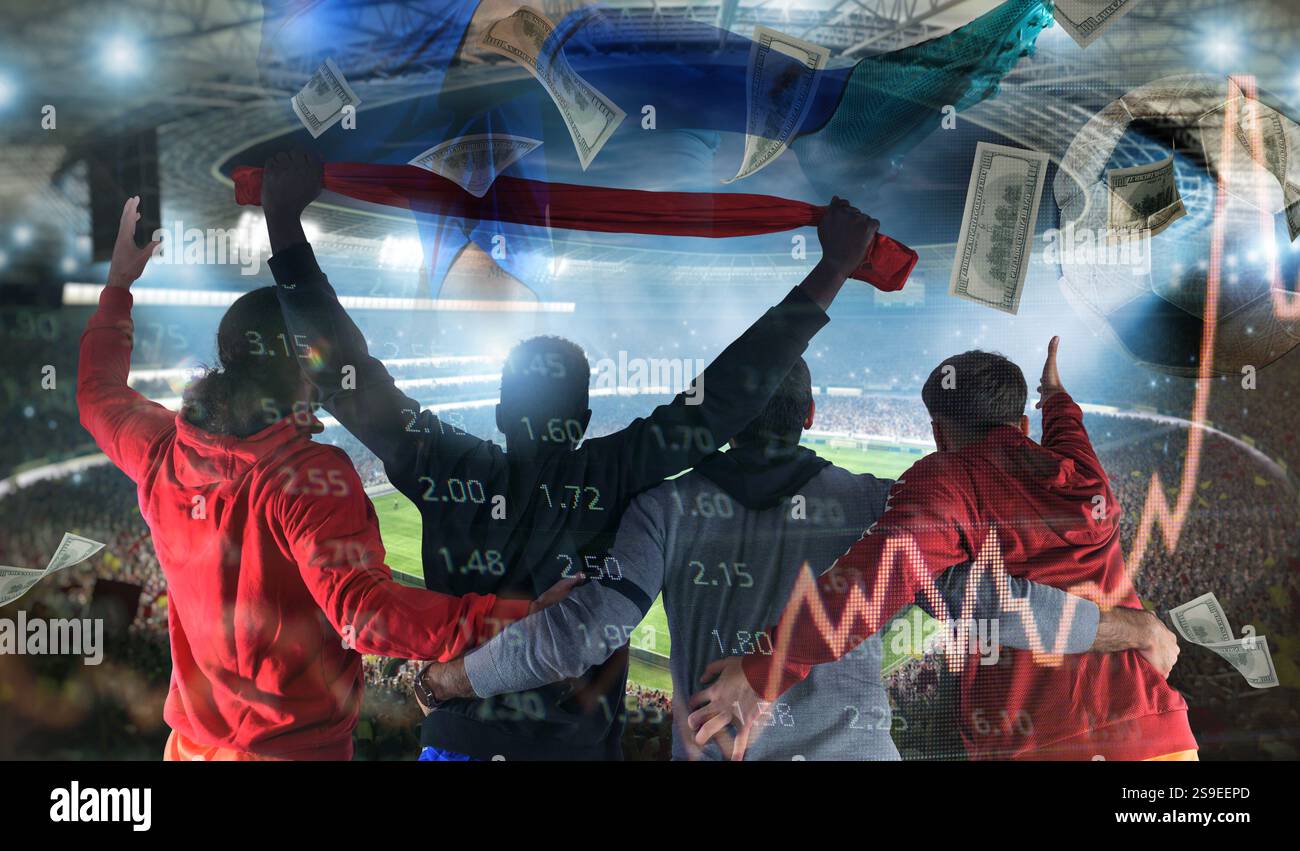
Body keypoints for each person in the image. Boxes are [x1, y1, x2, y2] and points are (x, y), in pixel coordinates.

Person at [260, 149, 880, 760]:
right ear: (583, 420)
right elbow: (719, 402)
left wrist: (284, 225)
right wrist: (831, 269)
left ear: (501, 413)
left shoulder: (441, 462)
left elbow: (348, 376)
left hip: (460, 740)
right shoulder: (614, 472)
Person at [419, 358, 1176, 760]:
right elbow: (990, 606)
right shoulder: (882, 503)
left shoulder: (663, 507)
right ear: (812, 416)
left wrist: (452, 677)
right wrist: (1131, 630)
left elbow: (580, 635)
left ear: (724, 427)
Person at [77, 197, 565, 761]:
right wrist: (515, 616)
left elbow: (97, 393)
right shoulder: (307, 478)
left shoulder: (163, 449)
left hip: (189, 749)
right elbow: (366, 615)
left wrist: (119, 282)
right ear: (304, 369)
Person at [689, 339, 1195, 761]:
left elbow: (872, 580)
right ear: (1021, 425)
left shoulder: (945, 479)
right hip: (1159, 728)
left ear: (937, 431)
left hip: (1043, 739)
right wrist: (1057, 398)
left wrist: (763, 671)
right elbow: (1068, 433)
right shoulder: (1083, 474)